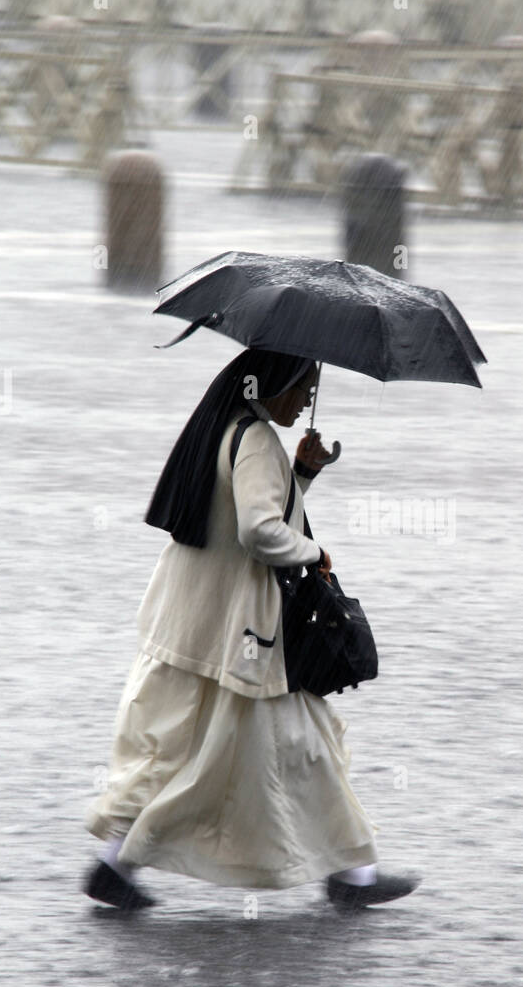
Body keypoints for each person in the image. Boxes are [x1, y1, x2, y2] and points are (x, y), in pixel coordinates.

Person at [82, 346, 419, 912]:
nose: (308, 395)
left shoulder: (226, 426)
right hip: (242, 633)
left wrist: (302, 473)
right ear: (273, 382)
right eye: (303, 383)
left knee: (171, 749)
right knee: (306, 745)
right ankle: (353, 876)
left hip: (190, 621)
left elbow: (246, 512)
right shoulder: (257, 440)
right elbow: (260, 531)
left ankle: (113, 862)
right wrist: (315, 551)